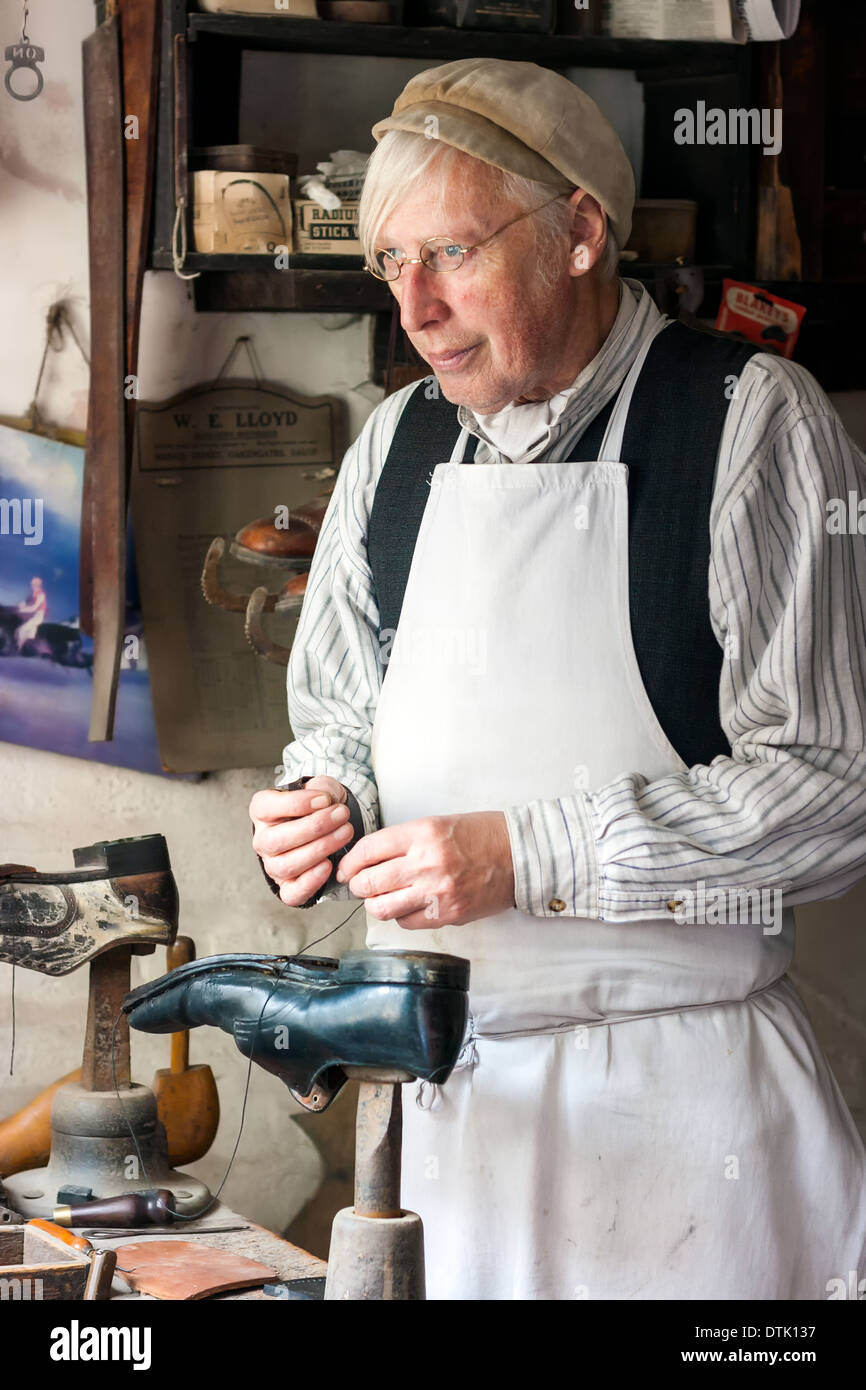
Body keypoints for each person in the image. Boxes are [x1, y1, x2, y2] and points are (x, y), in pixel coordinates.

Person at [250, 59, 866, 1300]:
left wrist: (528, 855)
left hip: (688, 1128)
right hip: (452, 1123)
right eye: (387, 266)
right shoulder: (395, 445)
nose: (412, 309)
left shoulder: (748, 421)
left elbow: (831, 790)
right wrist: (321, 798)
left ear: (580, 231)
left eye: (451, 254)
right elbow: (338, 717)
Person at [15, 576, 47, 650]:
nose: (33, 586)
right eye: (32, 585)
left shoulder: (41, 595)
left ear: (39, 585)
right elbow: (24, 602)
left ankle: (18, 648)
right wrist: (18, 606)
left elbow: (34, 608)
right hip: (33, 615)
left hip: (38, 616)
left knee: (22, 630)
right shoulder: (33, 594)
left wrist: (20, 610)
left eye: (34, 585)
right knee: (27, 633)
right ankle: (25, 647)